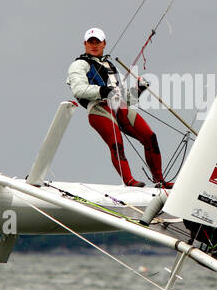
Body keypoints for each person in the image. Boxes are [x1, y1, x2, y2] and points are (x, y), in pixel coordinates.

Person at [67, 27, 170, 188]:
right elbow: (78, 90)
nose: (94, 45)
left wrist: (138, 89)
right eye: (90, 42)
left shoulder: (111, 66)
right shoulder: (79, 64)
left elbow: (126, 99)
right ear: (85, 44)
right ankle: (129, 181)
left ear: (104, 44)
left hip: (118, 106)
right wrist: (103, 90)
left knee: (150, 137)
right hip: (98, 107)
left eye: (97, 42)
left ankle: (160, 181)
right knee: (117, 142)